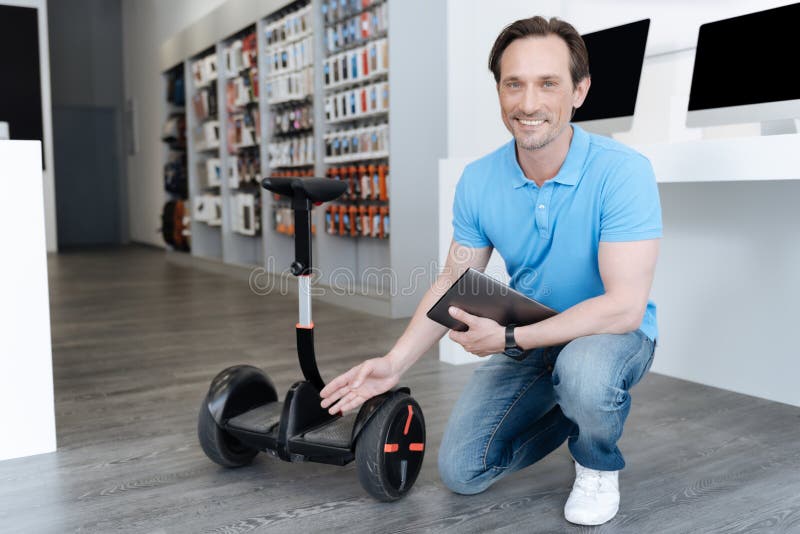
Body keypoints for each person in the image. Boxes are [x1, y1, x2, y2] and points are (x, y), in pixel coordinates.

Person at [320, 15, 661, 527]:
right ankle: (579, 412)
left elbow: (623, 307)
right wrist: (395, 363)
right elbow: (453, 282)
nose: (528, 104)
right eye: (513, 84)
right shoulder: (479, 180)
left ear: (580, 91)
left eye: (548, 83)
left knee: (586, 373)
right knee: (463, 470)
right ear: (499, 91)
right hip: (528, 335)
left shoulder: (623, 171)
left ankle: (596, 459)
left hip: (608, 335)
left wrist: (510, 336)